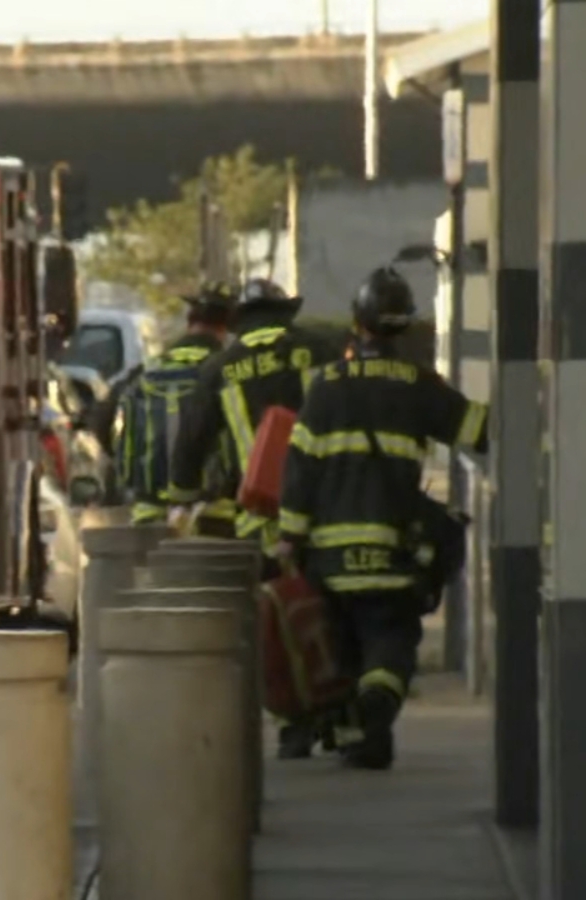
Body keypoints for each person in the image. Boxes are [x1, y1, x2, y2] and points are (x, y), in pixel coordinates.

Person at [272, 267, 489, 770]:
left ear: (358, 324)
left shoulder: (324, 389)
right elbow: (479, 430)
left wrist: (289, 540)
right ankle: (374, 716)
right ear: (403, 327)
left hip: (329, 556)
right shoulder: (419, 386)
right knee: (391, 641)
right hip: (394, 551)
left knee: (343, 647)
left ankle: (359, 733)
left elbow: (298, 474)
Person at [166, 277, 341, 756]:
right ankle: (340, 714)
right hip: (329, 511)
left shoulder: (221, 368)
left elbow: (191, 443)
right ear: (284, 313)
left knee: (280, 622)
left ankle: (295, 722)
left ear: (240, 322)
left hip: (262, 516)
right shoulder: (321, 350)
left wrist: (182, 497)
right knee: (331, 612)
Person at [113, 283, 235, 526]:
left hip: (150, 511)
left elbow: (102, 419)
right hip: (213, 511)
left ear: (190, 322)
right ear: (227, 328)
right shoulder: (226, 371)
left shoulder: (147, 371)